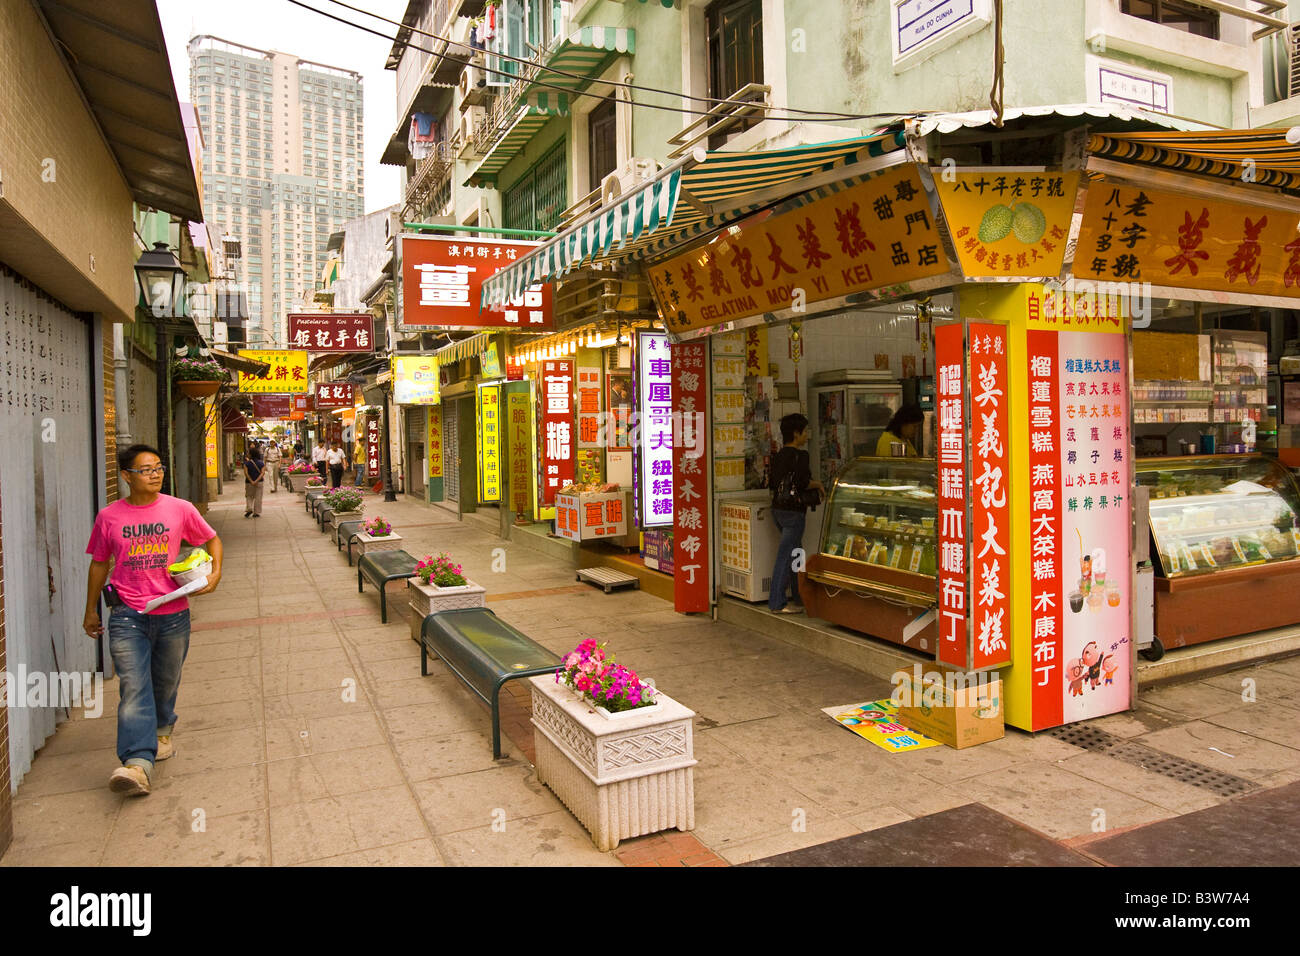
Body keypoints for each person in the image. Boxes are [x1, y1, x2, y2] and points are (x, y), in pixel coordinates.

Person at [82, 444, 223, 796]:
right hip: (128, 614)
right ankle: (136, 763)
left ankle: (162, 729)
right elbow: (100, 562)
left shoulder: (180, 509)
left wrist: (215, 573)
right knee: (133, 686)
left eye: (158, 467)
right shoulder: (110, 517)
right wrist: (90, 609)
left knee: (165, 680)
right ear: (127, 476)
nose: (155, 474)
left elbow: (210, 539)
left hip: (173, 613)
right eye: (145, 469)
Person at [768, 413, 823, 614]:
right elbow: (802, 483)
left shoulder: (779, 456)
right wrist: (818, 484)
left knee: (795, 553)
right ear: (796, 433)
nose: (807, 435)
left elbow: (773, 483)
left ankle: (799, 596)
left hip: (778, 510)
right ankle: (777, 602)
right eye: (805, 431)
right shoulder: (802, 455)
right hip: (794, 512)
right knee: (787, 555)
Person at [244, 443, 265, 517]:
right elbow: (262, 473)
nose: (247, 455)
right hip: (259, 482)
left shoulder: (247, 463)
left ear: (251, 454)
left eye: (248, 453)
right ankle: (256, 512)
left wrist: (251, 481)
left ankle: (249, 508)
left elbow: (246, 473)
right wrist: (256, 481)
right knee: (258, 497)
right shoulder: (261, 463)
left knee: (249, 496)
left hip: (249, 483)